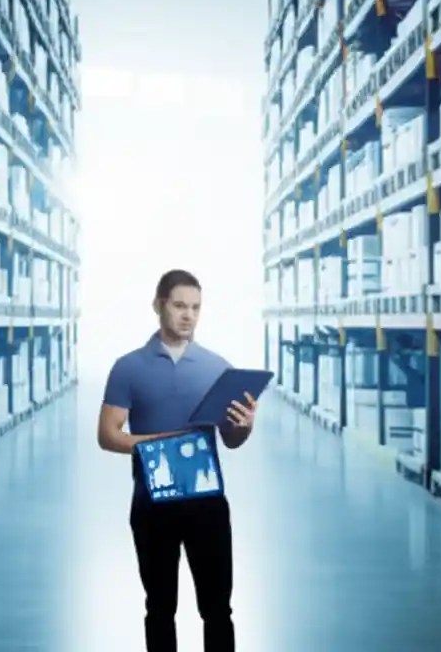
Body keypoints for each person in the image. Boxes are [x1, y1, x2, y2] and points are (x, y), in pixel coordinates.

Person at [97, 269, 258, 652]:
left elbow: (231, 441)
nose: (188, 315)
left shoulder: (219, 367)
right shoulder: (128, 367)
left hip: (208, 505)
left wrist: (245, 426)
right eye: (180, 305)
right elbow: (108, 434)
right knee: (159, 608)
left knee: (218, 608)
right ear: (159, 305)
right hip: (152, 505)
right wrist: (159, 444)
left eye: (196, 308)